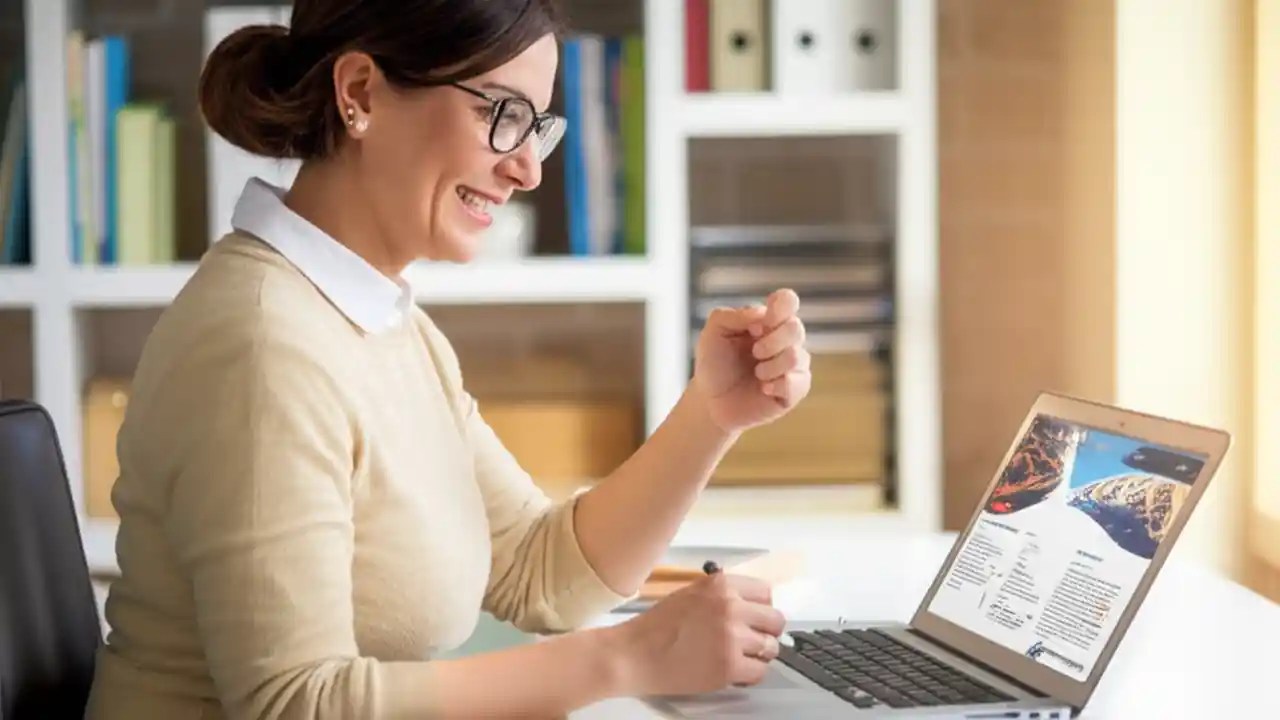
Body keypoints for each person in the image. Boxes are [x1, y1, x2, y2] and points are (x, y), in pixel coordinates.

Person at [84, 1, 813, 718]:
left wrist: (710, 414)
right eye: (500, 113)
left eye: (537, 127)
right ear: (360, 93)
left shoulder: (384, 323)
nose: (527, 169)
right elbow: (291, 703)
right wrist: (625, 658)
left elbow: (541, 573)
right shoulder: (262, 344)